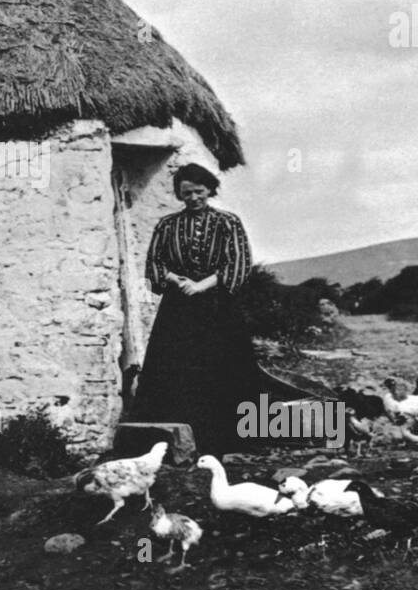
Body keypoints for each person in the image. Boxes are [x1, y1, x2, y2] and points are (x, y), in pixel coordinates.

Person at [126, 162, 314, 454]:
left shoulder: (229, 222)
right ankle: (175, 441)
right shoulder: (167, 225)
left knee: (224, 369)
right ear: (178, 193)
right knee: (176, 369)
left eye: (198, 191)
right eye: (186, 192)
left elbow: (238, 263)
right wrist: (177, 280)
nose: (192, 198)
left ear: (210, 190)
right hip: (178, 312)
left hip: (219, 308)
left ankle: (228, 438)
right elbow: (155, 264)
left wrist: (202, 285)